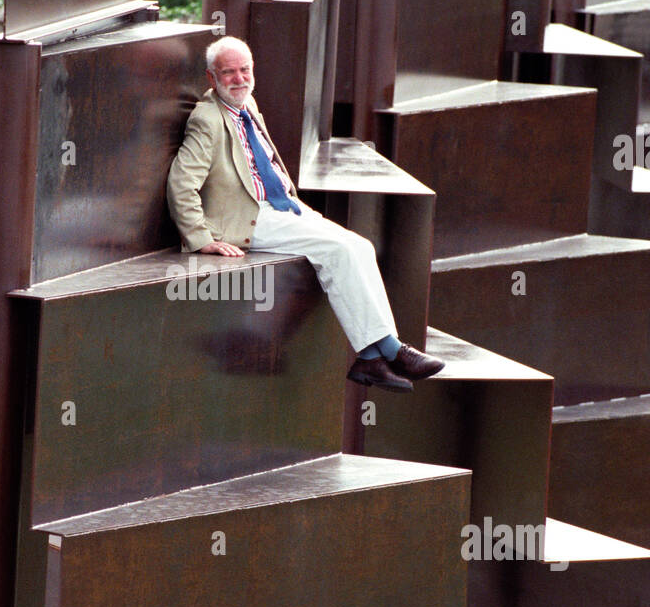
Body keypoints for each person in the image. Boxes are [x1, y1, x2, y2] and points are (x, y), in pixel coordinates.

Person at [166, 36, 443, 392]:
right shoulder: (207, 119)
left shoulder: (246, 103)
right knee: (338, 251)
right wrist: (201, 238)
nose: (239, 78)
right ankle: (391, 350)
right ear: (211, 78)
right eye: (228, 73)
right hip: (250, 216)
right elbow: (180, 182)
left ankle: (371, 360)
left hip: (284, 205)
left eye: (244, 70)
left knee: (360, 246)